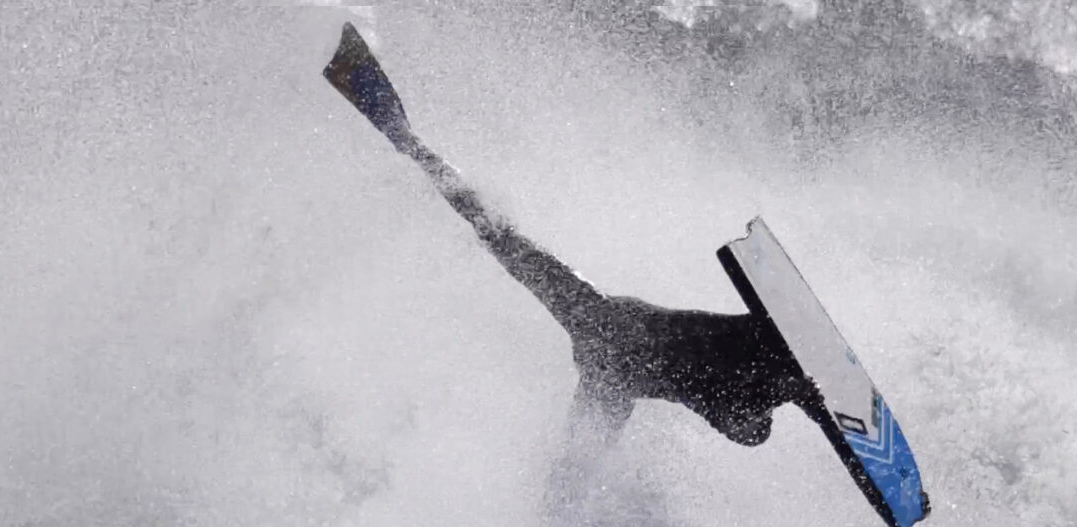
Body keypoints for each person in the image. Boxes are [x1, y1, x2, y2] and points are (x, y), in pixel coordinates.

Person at [324, 25, 808, 447]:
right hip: (646, 345)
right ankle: (410, 142)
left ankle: (411, 142)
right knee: (506, 245)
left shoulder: (602, 343)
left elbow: (505, 241)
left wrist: (415, 148)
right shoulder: (621, 368)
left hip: (639, 343)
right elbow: (748, 428)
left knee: (505, 244)